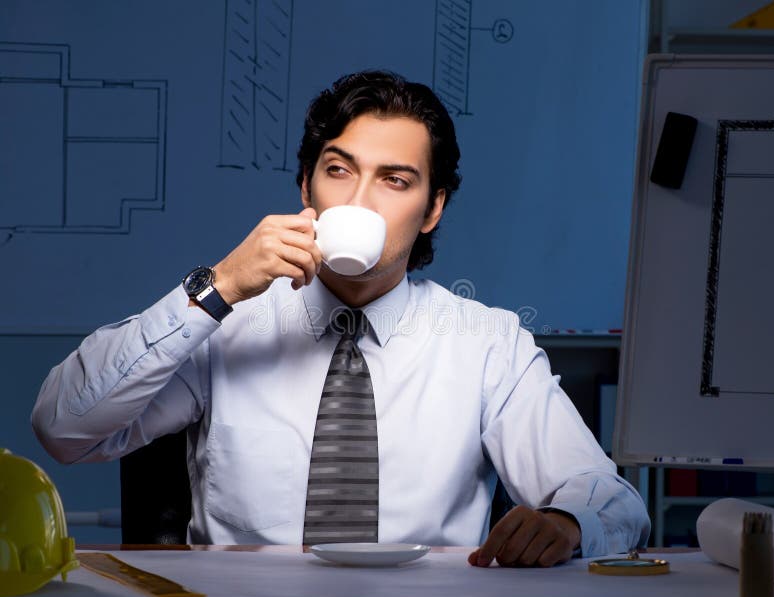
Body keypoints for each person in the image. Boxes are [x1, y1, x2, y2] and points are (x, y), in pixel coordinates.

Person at [32, 70, 650, 567]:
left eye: (395, 180)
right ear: (307, 188)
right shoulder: (227, 325)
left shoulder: (487, 344)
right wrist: (216, 288)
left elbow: (613, 502)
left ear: (432, 209)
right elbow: (63, 428)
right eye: (339, 170)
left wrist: (566, 523)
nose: (358, 201)